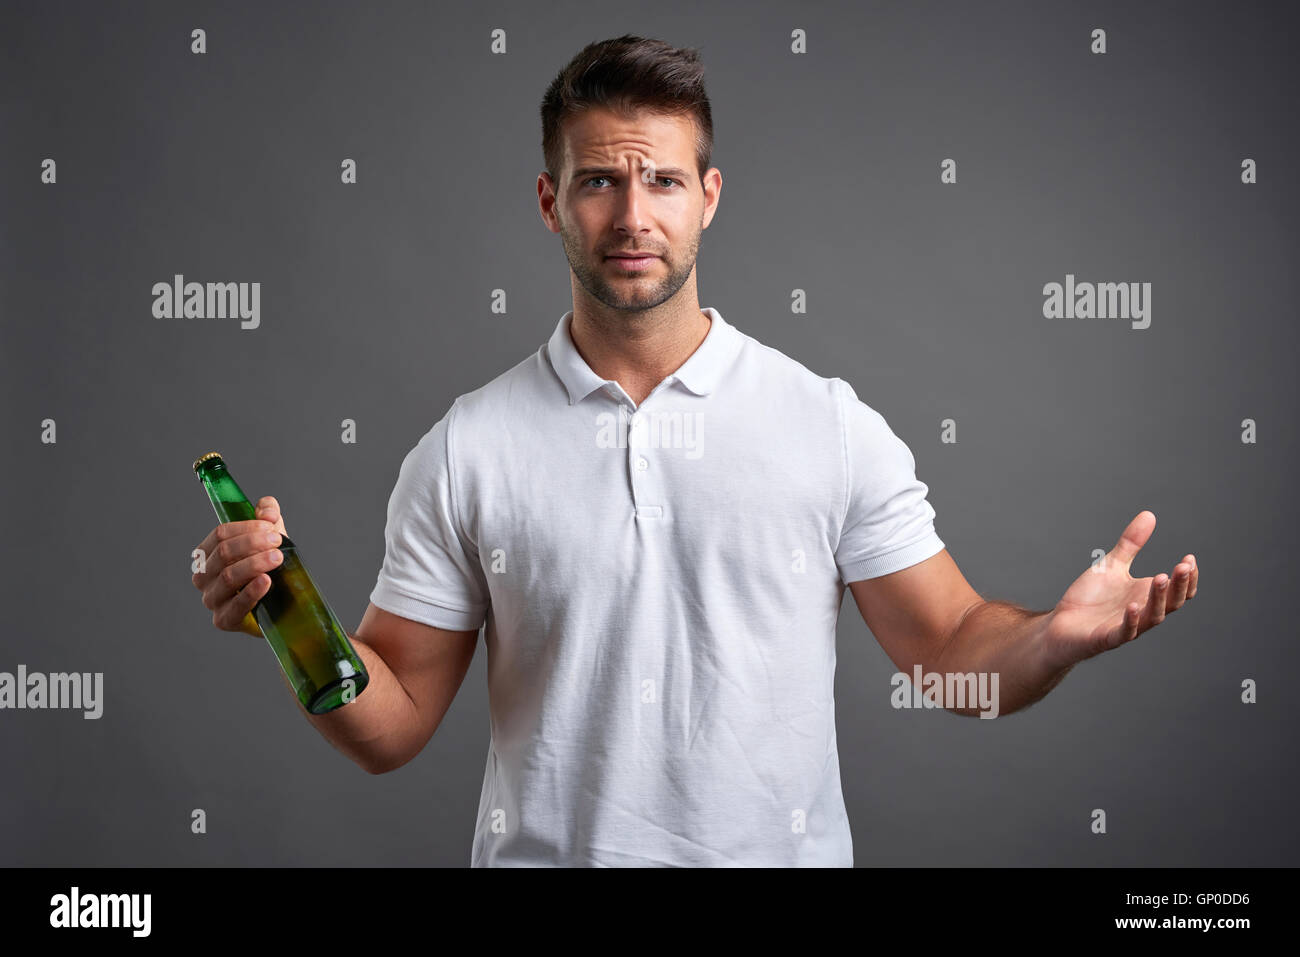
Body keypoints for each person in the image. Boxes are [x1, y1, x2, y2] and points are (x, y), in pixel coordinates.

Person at [191, 35, 1199, 867]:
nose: (633, 217)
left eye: (662, 180)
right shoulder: (465, 450)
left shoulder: (826, 423)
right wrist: (286, 619)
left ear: (706, 197)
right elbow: (395, 721)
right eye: (597, 182)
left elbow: (947, 652)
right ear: (550, 204)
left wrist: (1053, 641)